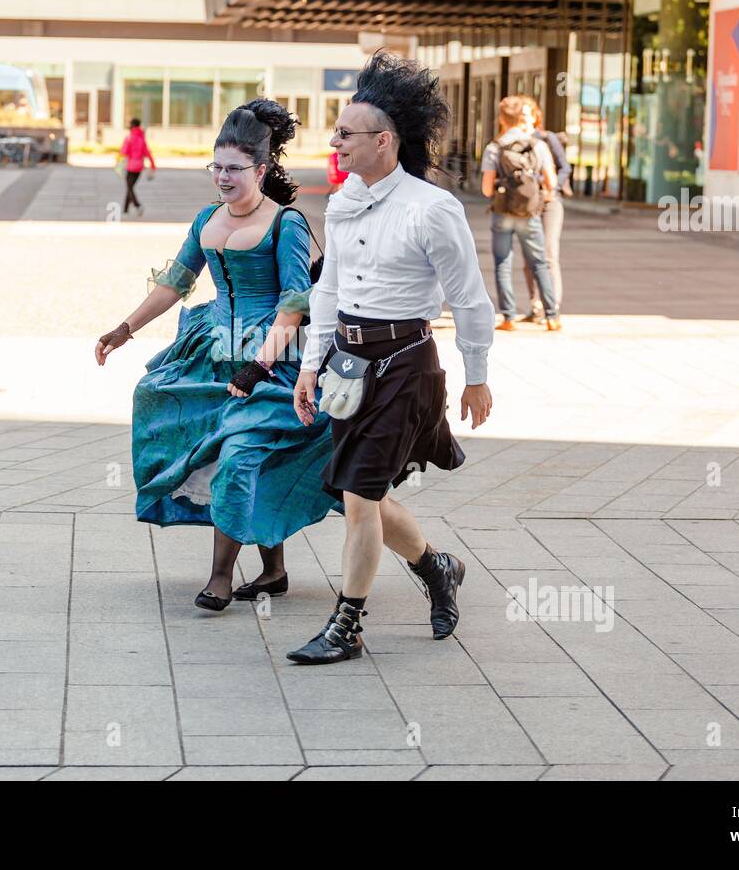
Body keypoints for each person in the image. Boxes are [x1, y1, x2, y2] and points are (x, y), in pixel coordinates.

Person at [287, 50, 496, 665]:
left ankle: (346, 627)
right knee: (364, 494)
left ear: (385, 141)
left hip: (405, 366)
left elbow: (470, 298)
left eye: (346, 134)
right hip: (347, 368)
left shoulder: (433, 209)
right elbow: (328, 291)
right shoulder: (348, 197)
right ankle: (438, 566)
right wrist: (308, 365)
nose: (335, 141)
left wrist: (477, 377)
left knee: (357, 497)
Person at [96, 98, 340, 612]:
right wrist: (124, 329)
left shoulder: (286, 223)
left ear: (262, 168)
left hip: (272, 353)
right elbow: (176, 283)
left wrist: (260, 366)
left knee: (239, 452)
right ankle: (273, 571)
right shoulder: (207, 217)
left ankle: (220, 577)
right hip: (213, 347)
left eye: (233, 169)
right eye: (216, 167)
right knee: (170, 407)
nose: (222, 178)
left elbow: (295, 303)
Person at [481, 96, 561, 332]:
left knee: (502, 263)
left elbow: (487, 189)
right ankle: (551, 316)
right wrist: (539, 198)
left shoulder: (494, 147)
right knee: (539, 263)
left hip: (503, 212)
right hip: (529, 214)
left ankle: (508, 317)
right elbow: (551, 182)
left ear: (502, 120)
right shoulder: (538, 145)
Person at [516, 96, 569, 323]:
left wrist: (551, 187)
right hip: (526, 205)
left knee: (548, 255)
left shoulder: (546, 139)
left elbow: (565, 166)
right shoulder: (512, 141)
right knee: (529, 259)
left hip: (549, 203)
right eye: (520, 115)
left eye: (528, 114)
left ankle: (552, 306)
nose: (524, 119)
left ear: (535, 116)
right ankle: (535, 305)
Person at [120, 118, 157, 217]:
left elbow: (123, 152)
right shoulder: (142, 138)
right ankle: (125, 210)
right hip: (139, 167)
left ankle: (137, 205)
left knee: (129, 187)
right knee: (130, 187)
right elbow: (147, 152)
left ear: (132, 125)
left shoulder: (129, 138)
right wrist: (153, 164)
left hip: (131, 166)